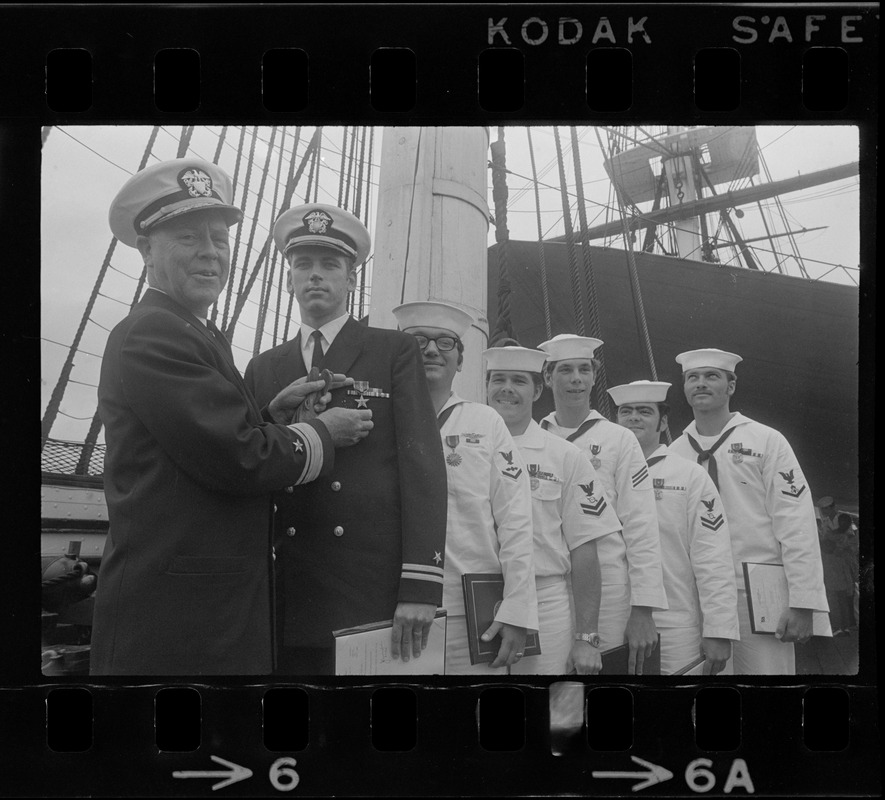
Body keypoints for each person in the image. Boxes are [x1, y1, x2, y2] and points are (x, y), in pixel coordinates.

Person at [92, 159, 369, 675]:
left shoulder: (196, 332)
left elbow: (191, 444)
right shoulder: (154, 333)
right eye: (188, 238)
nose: (210, 253)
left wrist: (269, 414)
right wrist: (319, 433)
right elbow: (239, 458)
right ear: (147, 251)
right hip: (179, 619)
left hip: (204, 607)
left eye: (219, 239)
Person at [244, 204, 448, 675]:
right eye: (303, 265)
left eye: (330, 265)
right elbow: (251, 466)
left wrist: (420, 585)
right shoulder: (264, 368)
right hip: (289, 584)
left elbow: (423, 469)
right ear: (289, 279)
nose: (316, 276)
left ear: (352, 280)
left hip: (368, 585)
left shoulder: (392, 350)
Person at [391, 301, 537, 674]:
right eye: (418, 340)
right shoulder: (381, 418)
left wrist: (518, 609)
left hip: (469, 613)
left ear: (461, 358)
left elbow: (516, 520)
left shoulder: (486, 423)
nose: (430, 350)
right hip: (393, 607)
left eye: (445, 343)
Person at [669, 348, 828, 674]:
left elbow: (795, 521)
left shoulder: (767, 441)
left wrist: (802, 601)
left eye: (712, 376)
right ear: (684, 388)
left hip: (757, 591)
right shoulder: (674, 453)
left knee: (766, 688)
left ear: (731, 386)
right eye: (692, 378)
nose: (700, 384)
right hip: (696, 595)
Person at [485, 344, 622, 675]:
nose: (507, 389)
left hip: (544, 603)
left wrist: (586, 638)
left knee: (551, 716)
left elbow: (584, 547)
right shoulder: (467, 449)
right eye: (498, 379)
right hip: (476, 598)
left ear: (537, 390)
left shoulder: (565, 456)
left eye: (519, 380)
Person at [537, 334, 666, 674]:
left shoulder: (618, 439)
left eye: (584, 370)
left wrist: (643, 610)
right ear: (548, 378)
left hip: (607, 590)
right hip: (549, 587)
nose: (576, 379)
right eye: (565, 370)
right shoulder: (536, 437)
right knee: (557, 690)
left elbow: (641, 524)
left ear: (594, 377)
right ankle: (562, 732)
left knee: (603, 685)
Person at [609, 380, 739, 675]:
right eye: (625, 411)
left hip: (673, 621)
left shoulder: (689, 475)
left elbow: (713, 556)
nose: (633, 418)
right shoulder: (599, 471)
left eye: (644, 411)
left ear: (663, 421)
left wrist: (719, 629)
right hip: (611, 618)